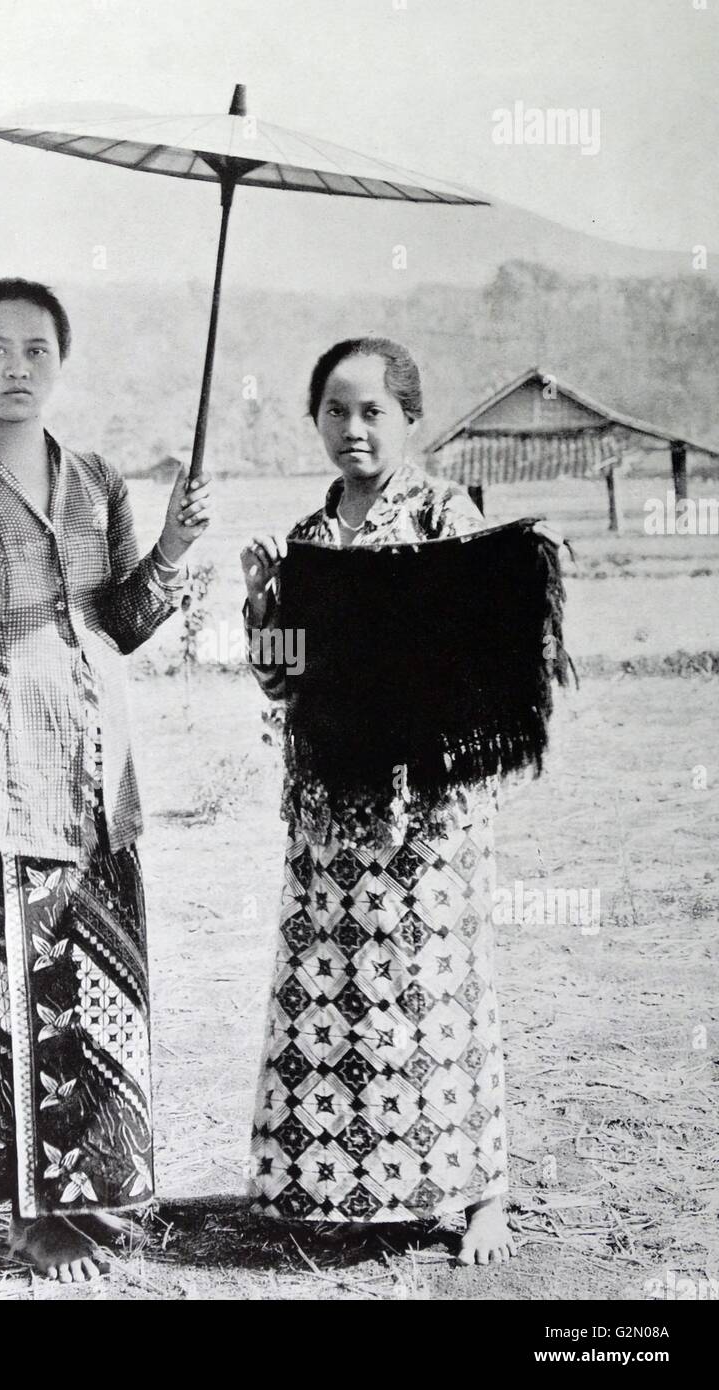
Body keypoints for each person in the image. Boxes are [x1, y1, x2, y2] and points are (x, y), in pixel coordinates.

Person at [0, 278, 210, 1283]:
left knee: (103, 995)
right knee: (18, 1003)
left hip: (98, 781)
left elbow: (117, 620)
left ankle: (100, 1199)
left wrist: (172, 547)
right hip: (1, 788)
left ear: (60, 363)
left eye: (36, 349)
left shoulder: (98, 477)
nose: (16, 366)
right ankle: (35, 1220)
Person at [241, 337, 556, 1265]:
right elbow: (278, 683)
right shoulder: (305, 537)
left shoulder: (444, 515)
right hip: (330, 811)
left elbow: (488, 654)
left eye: (372, 411)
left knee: (439, 989)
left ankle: (481, 1197)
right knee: (334, 989)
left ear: (410, 419)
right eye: (336, 412)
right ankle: (345, 1189)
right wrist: (264, 604)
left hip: (428, 808)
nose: (353, 429)